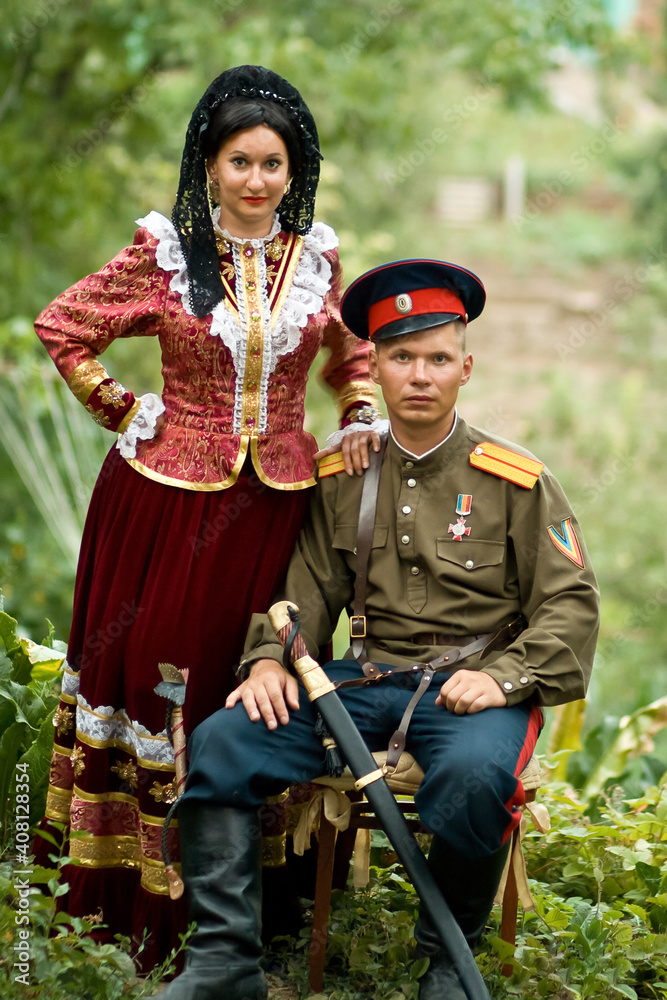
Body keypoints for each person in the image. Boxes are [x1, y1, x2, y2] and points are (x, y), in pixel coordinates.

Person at [161, 256, 600, 1000]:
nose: (419, 376)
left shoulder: (517, 481)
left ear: (465, 369)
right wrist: (268, 661)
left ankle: (446, 965)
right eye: (401, 358)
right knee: (224, 742)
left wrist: (501, 679)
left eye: (438, 359)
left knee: (472, 780)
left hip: (473, 691)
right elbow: (303, 594)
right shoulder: (345, 477)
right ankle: (224, 962)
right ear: (378, 370)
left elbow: (571, 603)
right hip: (363, 681)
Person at [33, 65, 380, 969]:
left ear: (294, 170)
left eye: (273, 163)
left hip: (279, 511)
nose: (257, 180)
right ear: (210, 166)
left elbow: (351, 355)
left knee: (256, 684)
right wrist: (121, 406)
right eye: (239, 162)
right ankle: (134, 908)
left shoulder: (318, 259)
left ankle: (248, 920)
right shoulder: (165, 253)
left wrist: (357, 414)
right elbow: (62, 325)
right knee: (163, 675)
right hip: (167, 502)